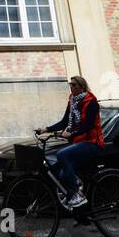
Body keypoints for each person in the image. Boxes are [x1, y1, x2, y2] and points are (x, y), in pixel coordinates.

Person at [37, 75, 103, 210]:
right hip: (79, 142)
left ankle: (77, 195)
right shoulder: (72, 100)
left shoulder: (91, 102)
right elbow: (65, 122)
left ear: (82, 87)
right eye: (70, 85)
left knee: (62, 155)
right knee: (62, 174)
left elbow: (88, 125)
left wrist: (72, 134)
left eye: (74, 85)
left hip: (92, 142)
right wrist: (46, 129)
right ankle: (82, 212)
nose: (71, 87)